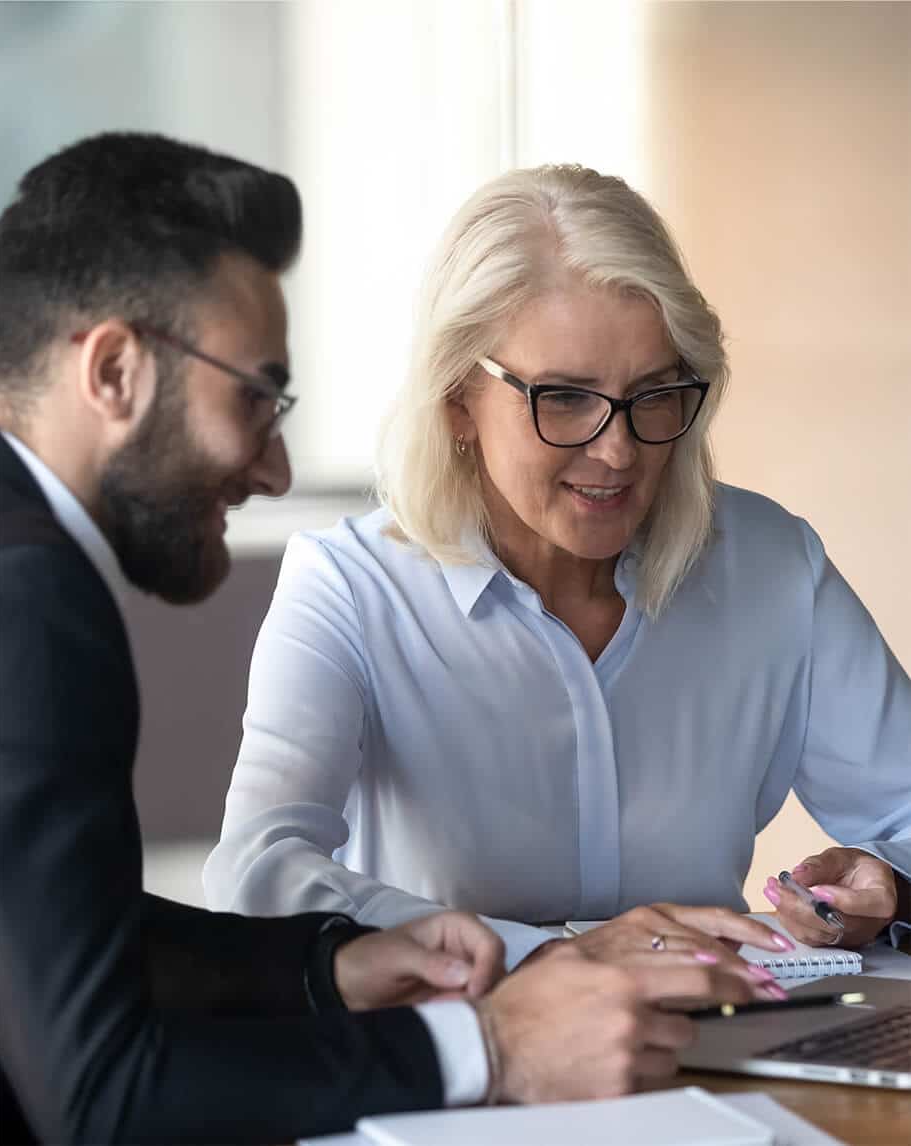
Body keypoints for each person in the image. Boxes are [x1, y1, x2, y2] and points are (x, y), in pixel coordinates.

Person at [0, 135, 762, 1146]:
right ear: (114, 371)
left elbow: (46, 938)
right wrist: (492, 1048)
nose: (274, 469)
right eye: (254, 398)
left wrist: (321, 966)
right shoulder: (33, 603)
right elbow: (100, 1095)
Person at [205, 163, 911, 971]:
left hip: (724, 1046)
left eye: (654, 393)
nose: (616, 450)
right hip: (468, 1061)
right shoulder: (350, 588)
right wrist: (541, 958)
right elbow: (258, 876)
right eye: (565, 399)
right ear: (456, 400)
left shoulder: (773, 565)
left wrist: (885, 879)